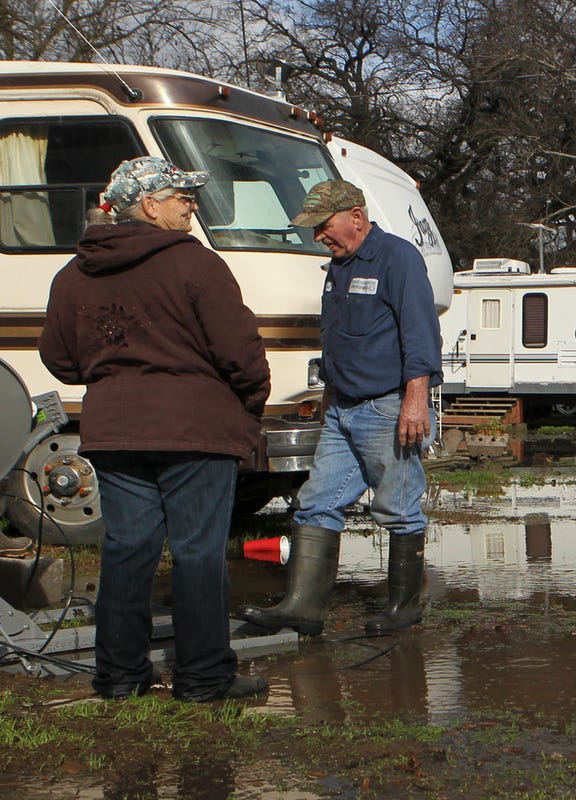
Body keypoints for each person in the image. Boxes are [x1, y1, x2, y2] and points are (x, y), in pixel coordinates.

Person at [38, 156, 271, 701]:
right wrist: (250, 404)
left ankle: (119, 678)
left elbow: (59, 359)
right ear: (148, 205)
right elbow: (241, 351)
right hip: (194, 428)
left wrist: (111, 377)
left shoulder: (73, 274)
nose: (192, 207)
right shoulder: (195, 264)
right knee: (197, 553)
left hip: (114, 430)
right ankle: (205, 678)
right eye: (182, 198)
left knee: (126, 551)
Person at [240, 179, 441, 636]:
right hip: (341, 408)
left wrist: (415, 399)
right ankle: (303, 607)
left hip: (388, 407)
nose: (319, 238)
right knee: (315, 503)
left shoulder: (397, 258)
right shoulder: (338, 266)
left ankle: (404, 607)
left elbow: (420, 333)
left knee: (399, 507)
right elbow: (337, 338)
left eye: (324, 226)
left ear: (356, 215)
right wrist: (328, 398)